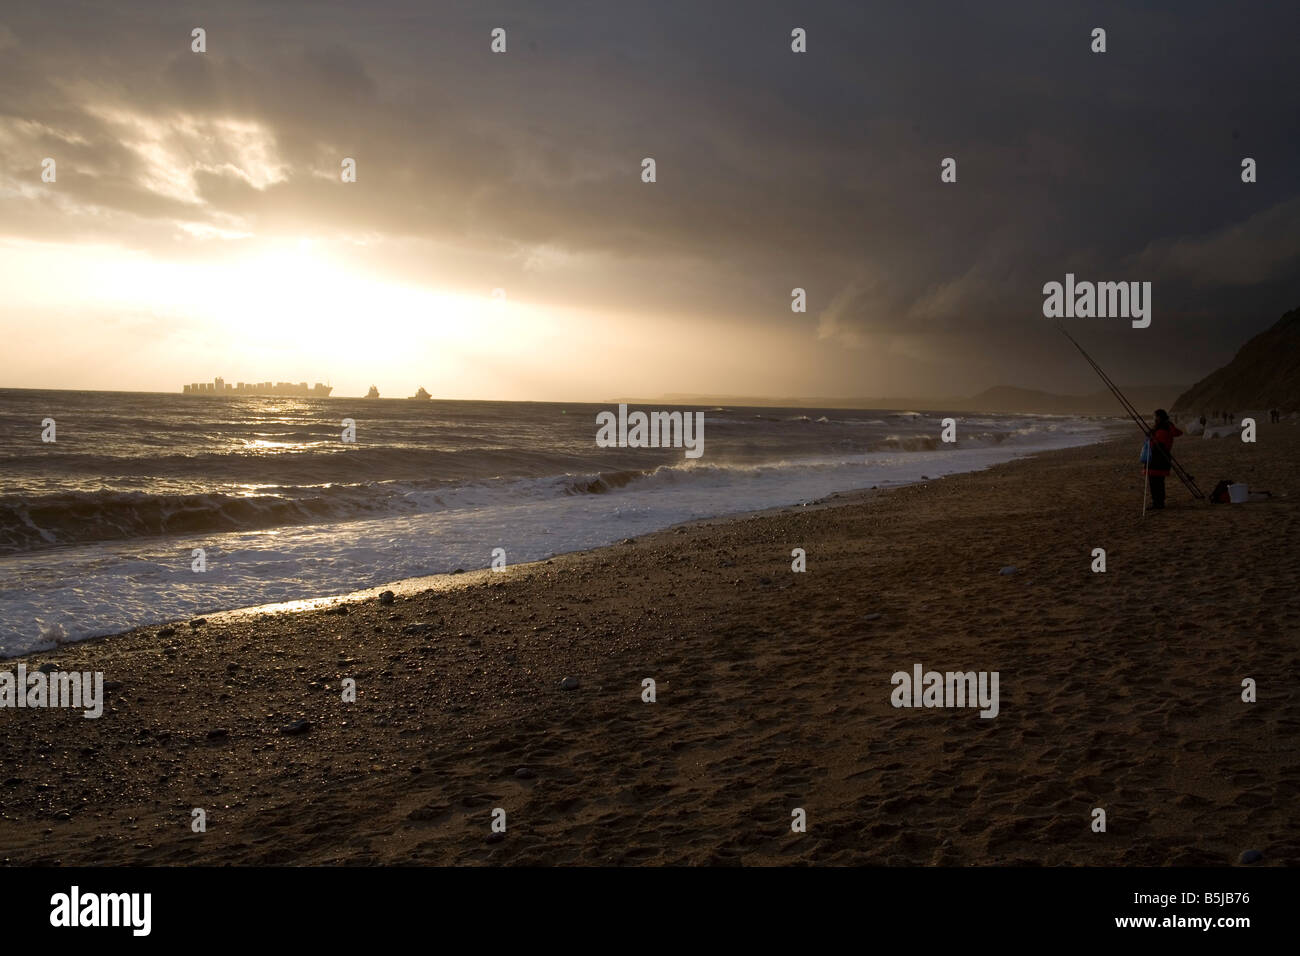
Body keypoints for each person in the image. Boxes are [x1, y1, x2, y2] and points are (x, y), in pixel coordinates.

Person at [1144, 409, 1182, 510]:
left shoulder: (1162, 429)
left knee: (1155, 482)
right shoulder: (1166, 427)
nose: (1154, 419)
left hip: (1158, 458)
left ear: (1159, 417)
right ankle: (1159, 502)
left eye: (1154, 416)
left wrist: (1151, 437)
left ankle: (1158, 503)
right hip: (1163, 457)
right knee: (1159, 481)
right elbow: (1177, 433)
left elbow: (1159, 443)